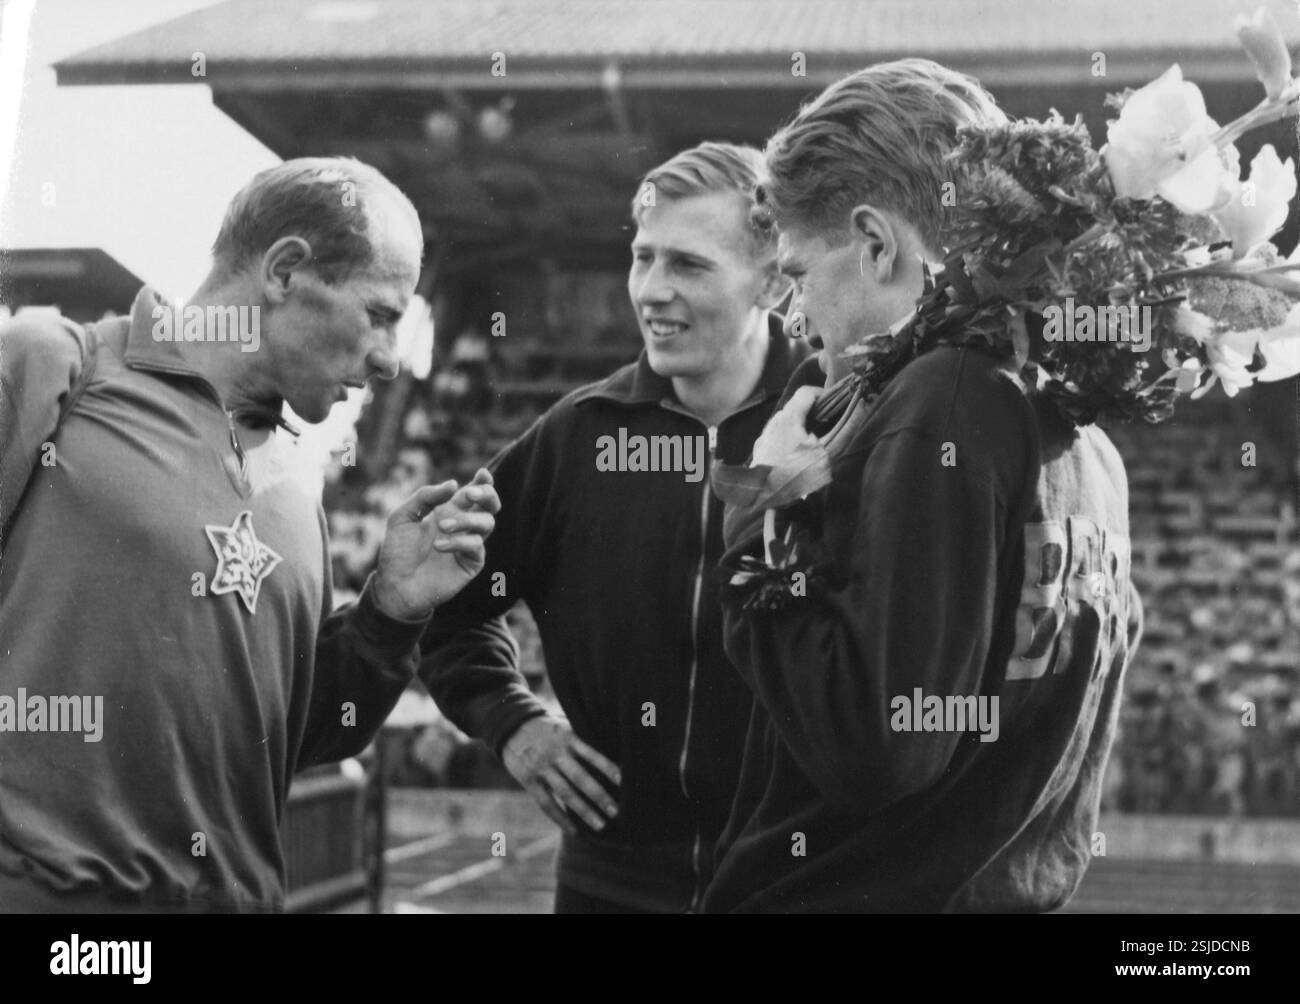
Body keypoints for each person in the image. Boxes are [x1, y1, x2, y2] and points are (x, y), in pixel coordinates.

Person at [0, 157, 500, 912]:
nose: (393, 360)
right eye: (382, 314)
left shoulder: (300, 479)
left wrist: (388, 615)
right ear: (286, 271)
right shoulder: (56, 367)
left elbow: (289, 738)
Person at [703, 59, 1143, 913]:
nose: (792, 316)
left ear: (875, 243)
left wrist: (759, 507)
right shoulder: (1086, 436)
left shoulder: (942, 395)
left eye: (796, 273)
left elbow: (879, 749)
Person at [418, 142, 801, 913]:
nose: (652, 291)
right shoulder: (578, 437)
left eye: (689, 265)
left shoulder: (841, 423)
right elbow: (441, 604)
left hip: (802, 883)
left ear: (772, 279)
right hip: (612, 884)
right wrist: (514, 723)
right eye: (642, 258)